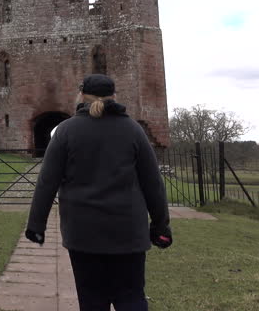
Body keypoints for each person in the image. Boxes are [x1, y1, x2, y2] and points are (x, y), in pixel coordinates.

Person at [25, 74, 172, 311]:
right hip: (128, 233)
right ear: (114, 96)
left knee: (92, 301)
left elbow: (46, 183)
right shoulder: (133, 130)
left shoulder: (66, 131)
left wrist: (36, 226)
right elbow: (153, 184)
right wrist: (160, 226)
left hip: (83, 234)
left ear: (81, 95)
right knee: (131, 298)